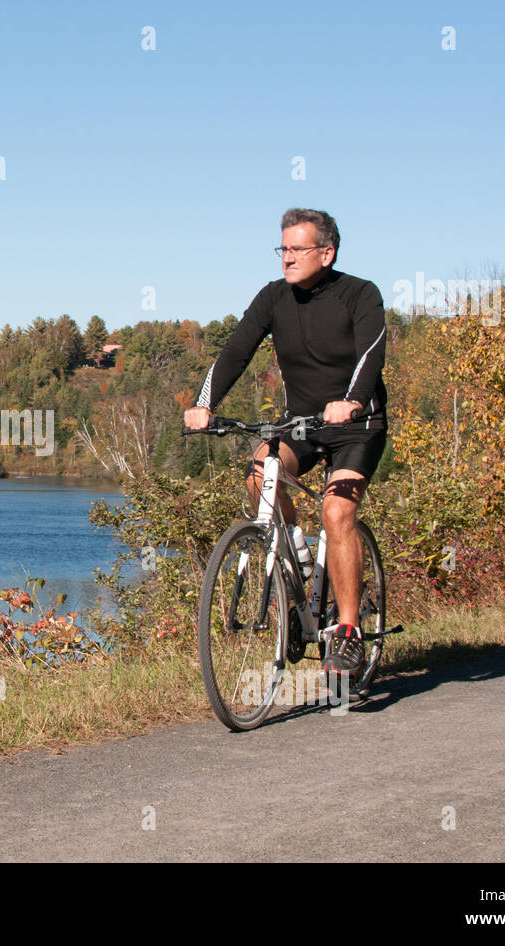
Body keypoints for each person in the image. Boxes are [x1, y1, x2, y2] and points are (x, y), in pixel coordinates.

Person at [183, 208, 387, 678]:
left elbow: (371, 355)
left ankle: (350, 632)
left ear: (327, 251)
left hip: (357, 426)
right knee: (259, 476)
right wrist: (204, 403)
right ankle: (297, 559)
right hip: (303, 424)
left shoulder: (360, 293)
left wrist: (352, 401)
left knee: (336, 513)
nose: (287, 258)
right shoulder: (274, 298)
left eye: (297, 249)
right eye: (283, 249)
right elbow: (235, 349)